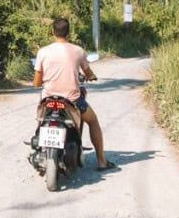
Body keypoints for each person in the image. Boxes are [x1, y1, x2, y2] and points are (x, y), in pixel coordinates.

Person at [32, 17, 116, 171]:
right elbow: (87, 71)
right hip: (73, 101)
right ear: (68, 33)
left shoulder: (42, 51)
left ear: (53, 32)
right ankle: (102, 162)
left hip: (48, 100)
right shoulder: (78, 50)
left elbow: (36, 83)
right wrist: (91, 76)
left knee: (41, 119)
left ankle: (39, 145)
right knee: (93, 121)